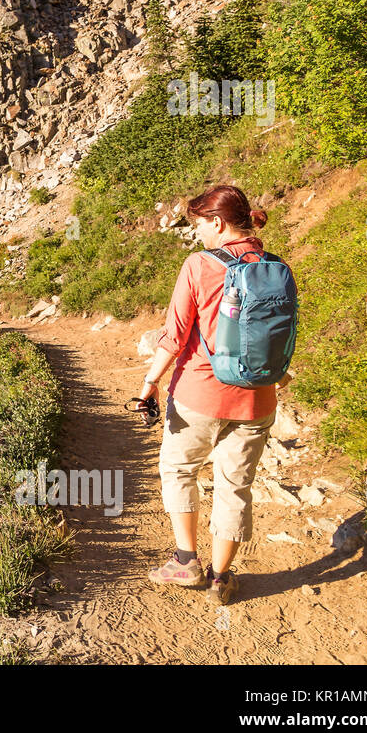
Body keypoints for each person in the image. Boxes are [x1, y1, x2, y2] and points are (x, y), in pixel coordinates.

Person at [137, 184, 293, 606]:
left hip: (199, 395)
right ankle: (220, 579)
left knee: (179, 469)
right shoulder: (277, 266)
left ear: (218, 222)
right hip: (258, 399)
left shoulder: (199, 265)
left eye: (201, 225)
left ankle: (186, 561)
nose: (199, 235)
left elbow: (174, 336)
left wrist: (150, 383)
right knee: (235, 487)